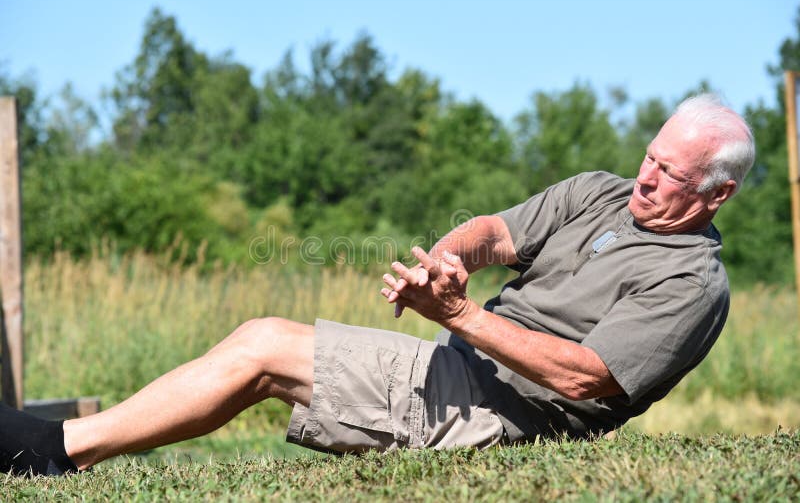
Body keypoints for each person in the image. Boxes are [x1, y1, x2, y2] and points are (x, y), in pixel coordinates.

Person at [0, 93, 755, 476]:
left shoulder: (692, 283)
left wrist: (456, 313)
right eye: (652, 156)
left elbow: (585, 379)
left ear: (717, 195)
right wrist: (450, 259)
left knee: (263, 350)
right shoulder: (603, 190)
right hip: (458, 371)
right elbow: (495, 230)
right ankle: (68, 454)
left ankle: (52, 453)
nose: (648, 180)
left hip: (504, 422)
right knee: (261, 340)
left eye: (672, 175)